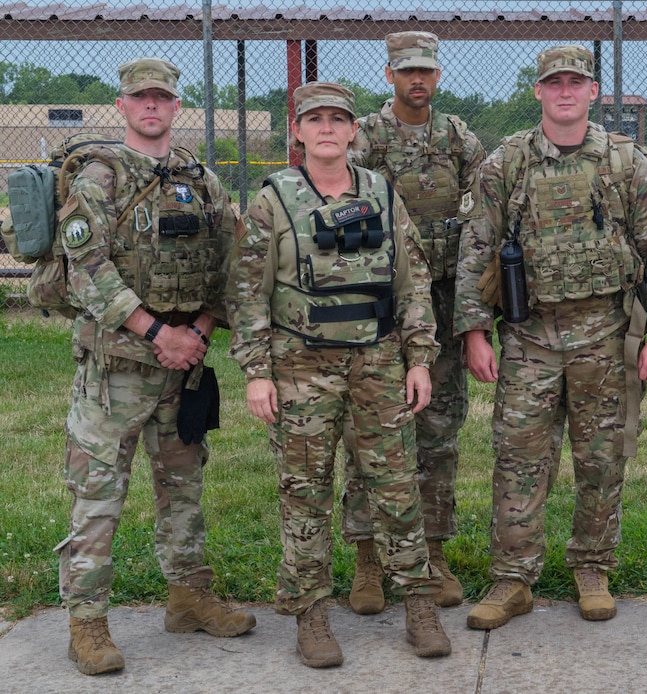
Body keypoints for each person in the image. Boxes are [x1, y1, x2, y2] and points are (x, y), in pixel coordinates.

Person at [454, 44, 647, 629]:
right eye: (553, 82)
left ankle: (592, 567)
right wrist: (474, 332)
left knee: (601, 460)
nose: (564, 91)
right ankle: (512, 578)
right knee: (518, 459)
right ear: (538, 91)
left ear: (590, 92)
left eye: (575, 82)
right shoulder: (506, 162)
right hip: (528, 338)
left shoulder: (627, 162)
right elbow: (475, 248)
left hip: (603, 336)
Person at [226, 81, 451, 667]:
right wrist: (257, 372)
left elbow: (412, 282)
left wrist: (419, 358)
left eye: (338, 119)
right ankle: (311, 613)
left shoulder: (380, 193)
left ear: (354, 130)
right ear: (296, 131)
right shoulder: (272, 201)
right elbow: (248, 295)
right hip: (301, 364)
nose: (327, 128)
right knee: (305, 490)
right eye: (314, 119)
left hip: (377, 362)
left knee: (397, 486)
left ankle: (418, 603)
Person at [55, 57, 255, 676]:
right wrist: (156, 332)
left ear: (175, 107)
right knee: (97, 496)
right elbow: (86, 270)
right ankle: (86, 623)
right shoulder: (98, 178)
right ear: (122, 106)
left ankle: (189, 597)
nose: (151, 106)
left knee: (183, 487)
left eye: (162, 98)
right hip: (115, 370)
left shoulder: (201, 181)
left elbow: (235, 260)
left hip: (182, 367)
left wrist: (196, 330)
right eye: (140, 97)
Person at [344, 30, 486, 614]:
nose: (417, 80)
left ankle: (433, 552)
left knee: (438, 432)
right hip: (379, 308)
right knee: (369, 436)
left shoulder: (458, 140)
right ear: (389, 76)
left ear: (437, 74)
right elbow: (343, 212)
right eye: (407, 71)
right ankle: (367, 561)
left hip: (446, 306)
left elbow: (484, 217)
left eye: (425, 70)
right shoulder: (368, 139)